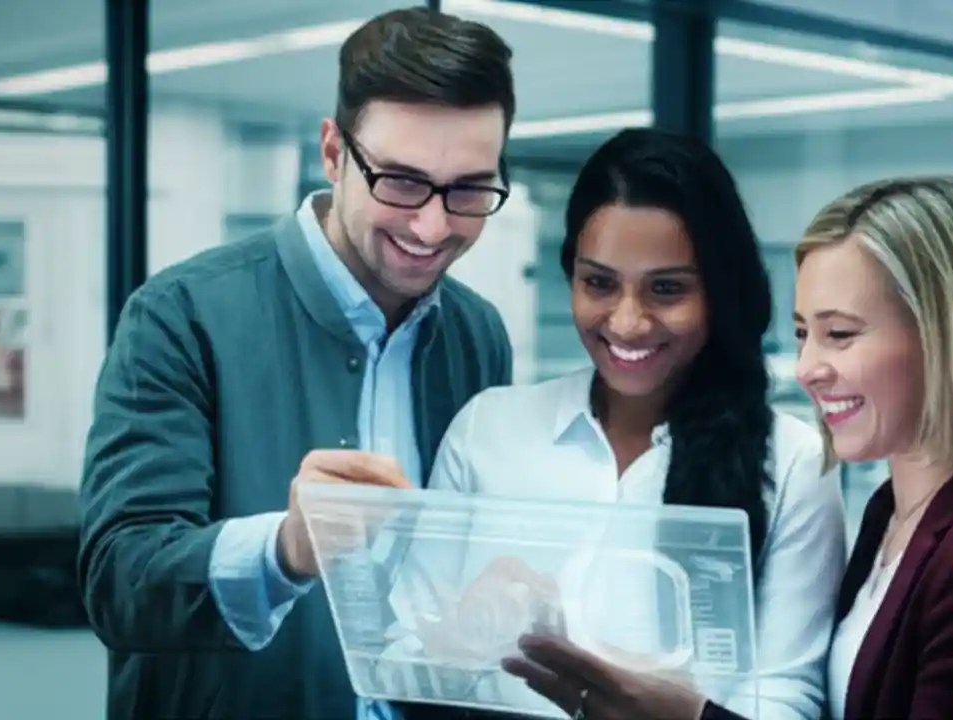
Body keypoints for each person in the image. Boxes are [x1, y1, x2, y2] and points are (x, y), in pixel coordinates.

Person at [77, 8, 517, 719]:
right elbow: (120, 582)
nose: (433, 226)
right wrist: (283, 549)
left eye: (468, 188)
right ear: (334, 153)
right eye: (400, 181)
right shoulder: (181, 314)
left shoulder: (478, 335)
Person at [432, 127, 848, 720]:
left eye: (667, 289)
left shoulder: (792, 462)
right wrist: (464, 631)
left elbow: (789, 698)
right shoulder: (487, 430)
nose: (627, 323)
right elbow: (406, 652)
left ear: (720, 291)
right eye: (599, 283)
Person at [707, 176, 953, 719]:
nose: (806, 370)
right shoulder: (893, 508)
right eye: (802, 334)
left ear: (950, 335)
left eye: (840, 334)